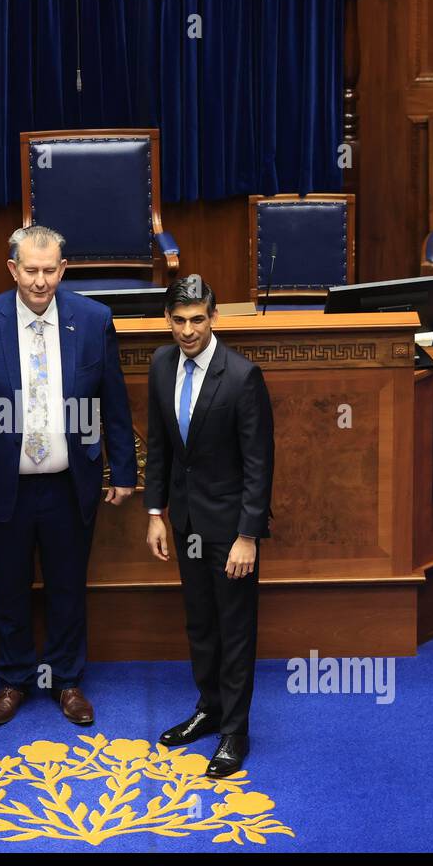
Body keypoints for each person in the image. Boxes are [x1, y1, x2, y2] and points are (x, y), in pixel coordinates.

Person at [0, 225, 136, 726]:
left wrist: (124, 470)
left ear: (63, 269)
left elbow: (114, 403)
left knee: (68, 587)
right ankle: (13, 679)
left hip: (70, 483)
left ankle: (66, 680)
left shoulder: (93, 320)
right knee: (8, 587)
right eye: (30, 270)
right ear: (13, 269)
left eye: (50, 270)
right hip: (0, 484)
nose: (40, 281)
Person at [144, 275, 274, 778]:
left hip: (230, 529)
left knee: (235, 629)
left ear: (214, 317)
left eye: (198, 320)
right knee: (200, 622)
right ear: (168, 320)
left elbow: (260, 464)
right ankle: (209, 706)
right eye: (178, 321)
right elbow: (159, 446)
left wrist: (248, 536)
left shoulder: (242, 376)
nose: (188, 331)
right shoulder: (160, 364)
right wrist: (155, 512)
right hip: (186, 521)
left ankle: (234, 732)